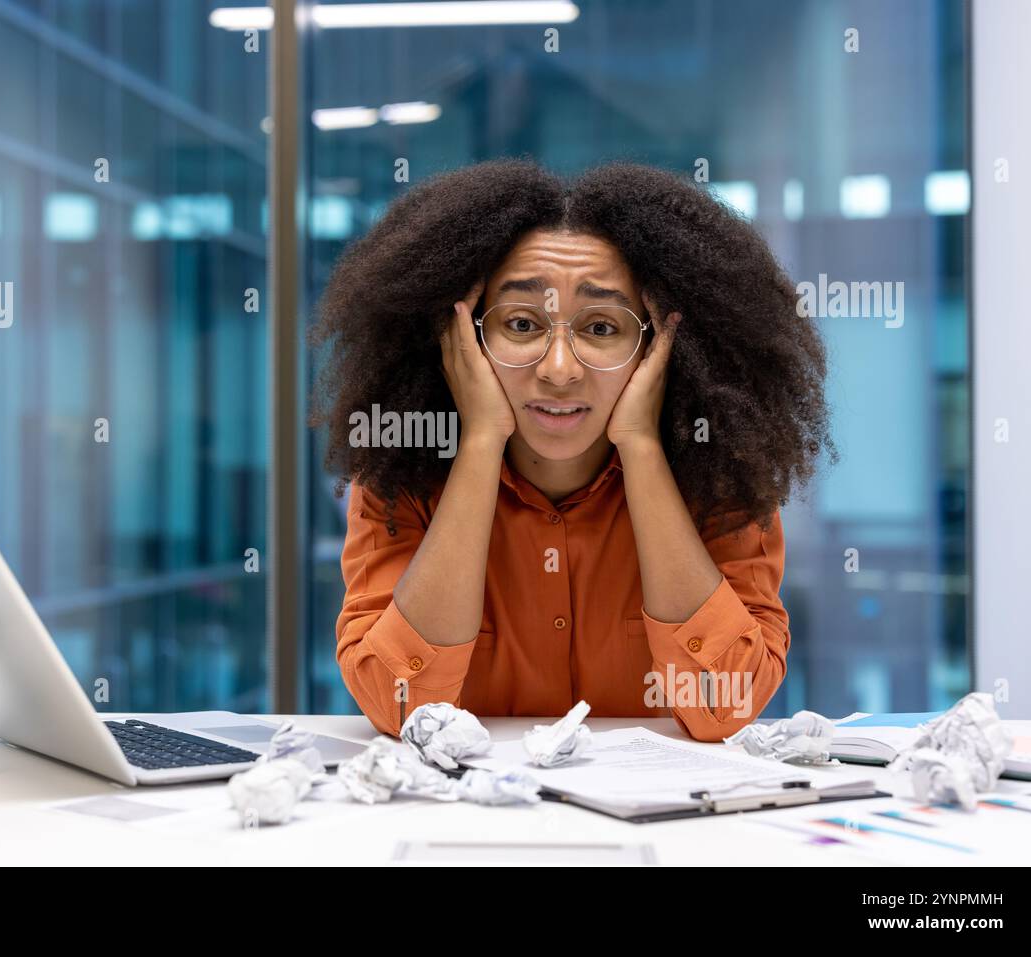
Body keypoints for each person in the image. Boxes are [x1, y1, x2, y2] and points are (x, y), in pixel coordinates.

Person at [309, 159, 835, 741]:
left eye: (602, 328)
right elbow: (397, 705)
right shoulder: (399, 474)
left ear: (662, 344)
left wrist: (640, 447)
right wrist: (481, 441)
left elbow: (724, 705)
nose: (559, 371)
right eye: (522, 324)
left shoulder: (722, 476)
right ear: (462, 338)